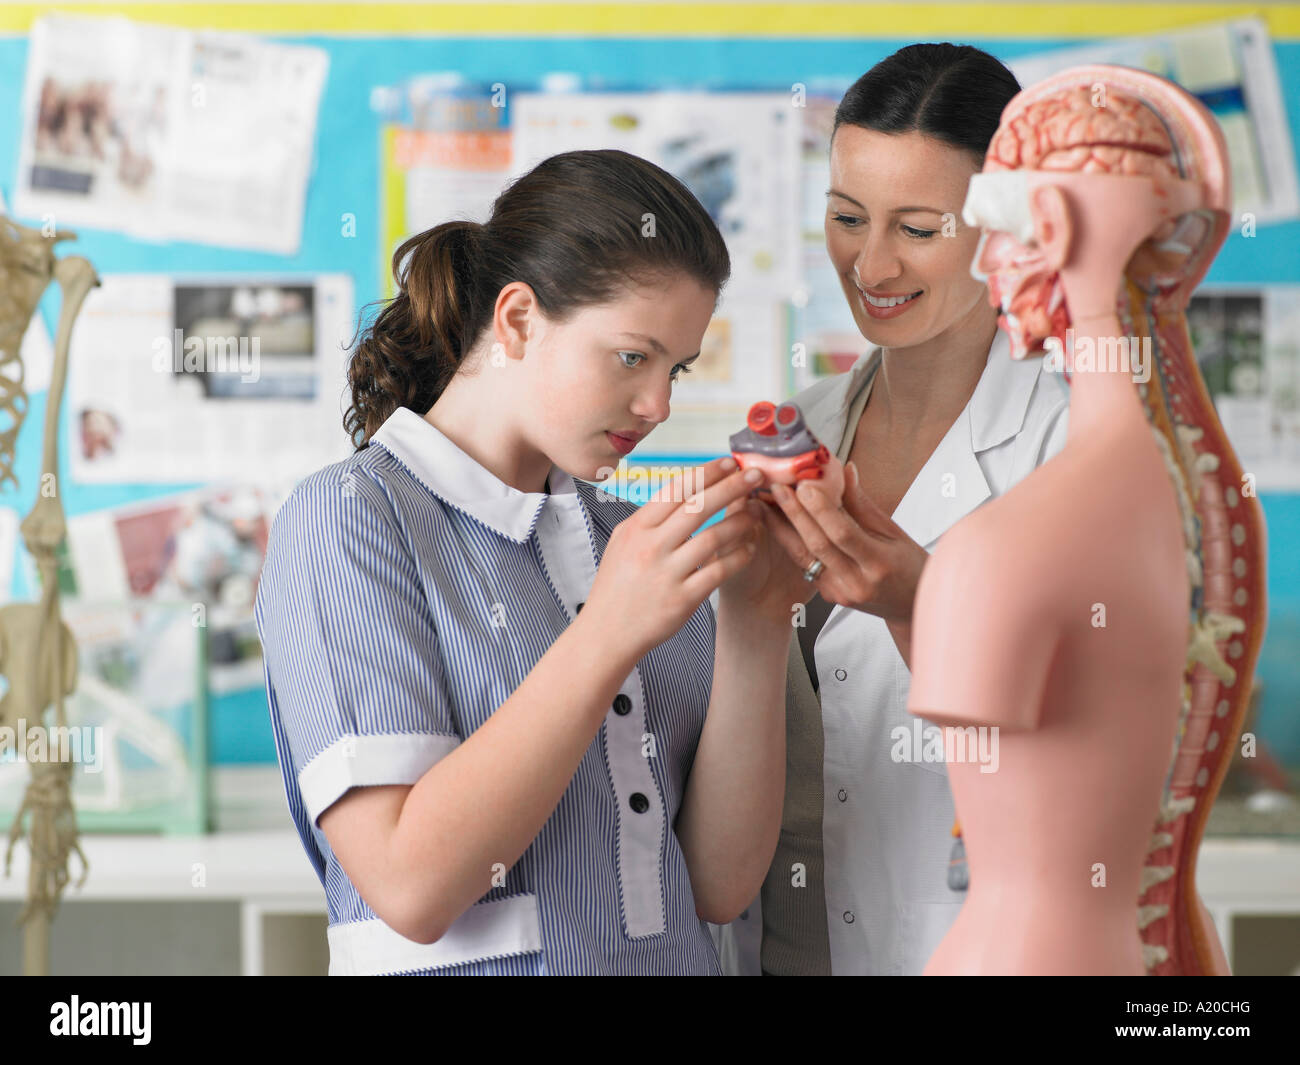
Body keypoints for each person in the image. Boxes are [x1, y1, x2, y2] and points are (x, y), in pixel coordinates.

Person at [254, 149, 807, 975]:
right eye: (632, 356)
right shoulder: (349, 521)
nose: (659, 405)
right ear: (516, 320)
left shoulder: (635, 542)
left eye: (676, 369)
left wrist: (758, 617)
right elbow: (412, 884)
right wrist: (606, 633)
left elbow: (714, 887)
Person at [709, 43, 1071, 975]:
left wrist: (926, 603)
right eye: (846, 217)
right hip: (783, 949)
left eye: (918, 226)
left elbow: (1103, 754)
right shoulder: (803, 429)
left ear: (1008, 226)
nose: (870, 263)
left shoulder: (1075, 445)